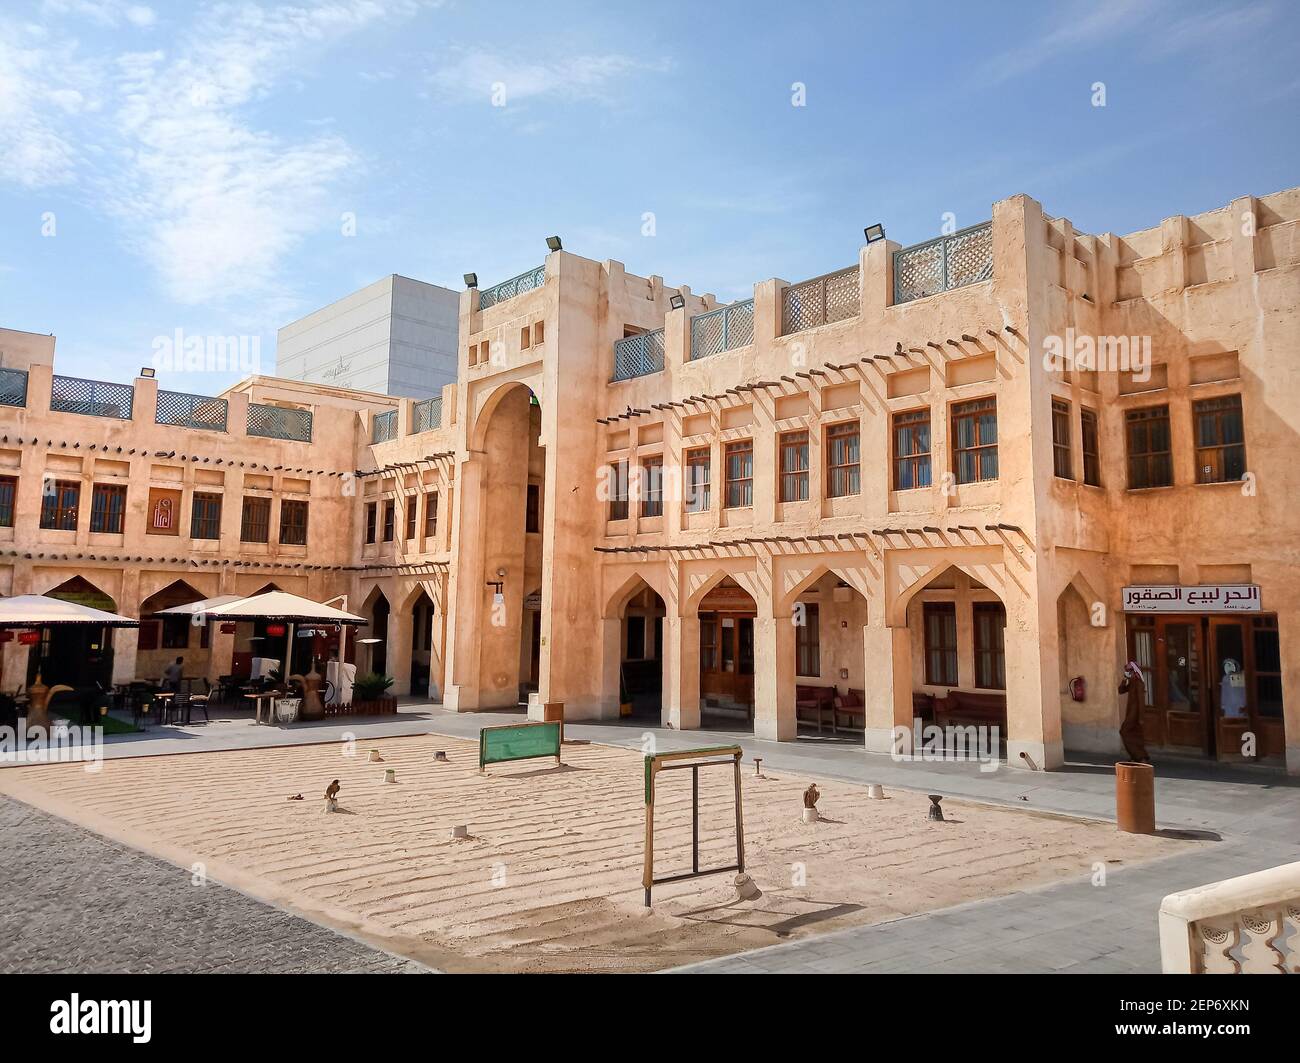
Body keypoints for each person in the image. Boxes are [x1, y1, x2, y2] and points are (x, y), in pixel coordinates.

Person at [1117, 660, 1149, 763]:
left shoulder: (1139, 682)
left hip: (1135, 714)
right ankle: (1138, 756)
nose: (1128, 672)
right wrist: (1124, 678)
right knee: (1134, 734)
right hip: (1131, 712)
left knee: (1124, 731)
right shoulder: (1132, 681)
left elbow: (1141, 700)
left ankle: (1139, 755)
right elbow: (1121, 690)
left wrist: (1141, 717)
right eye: (1127, 671)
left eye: (1130, 670)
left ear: (1134, 670)